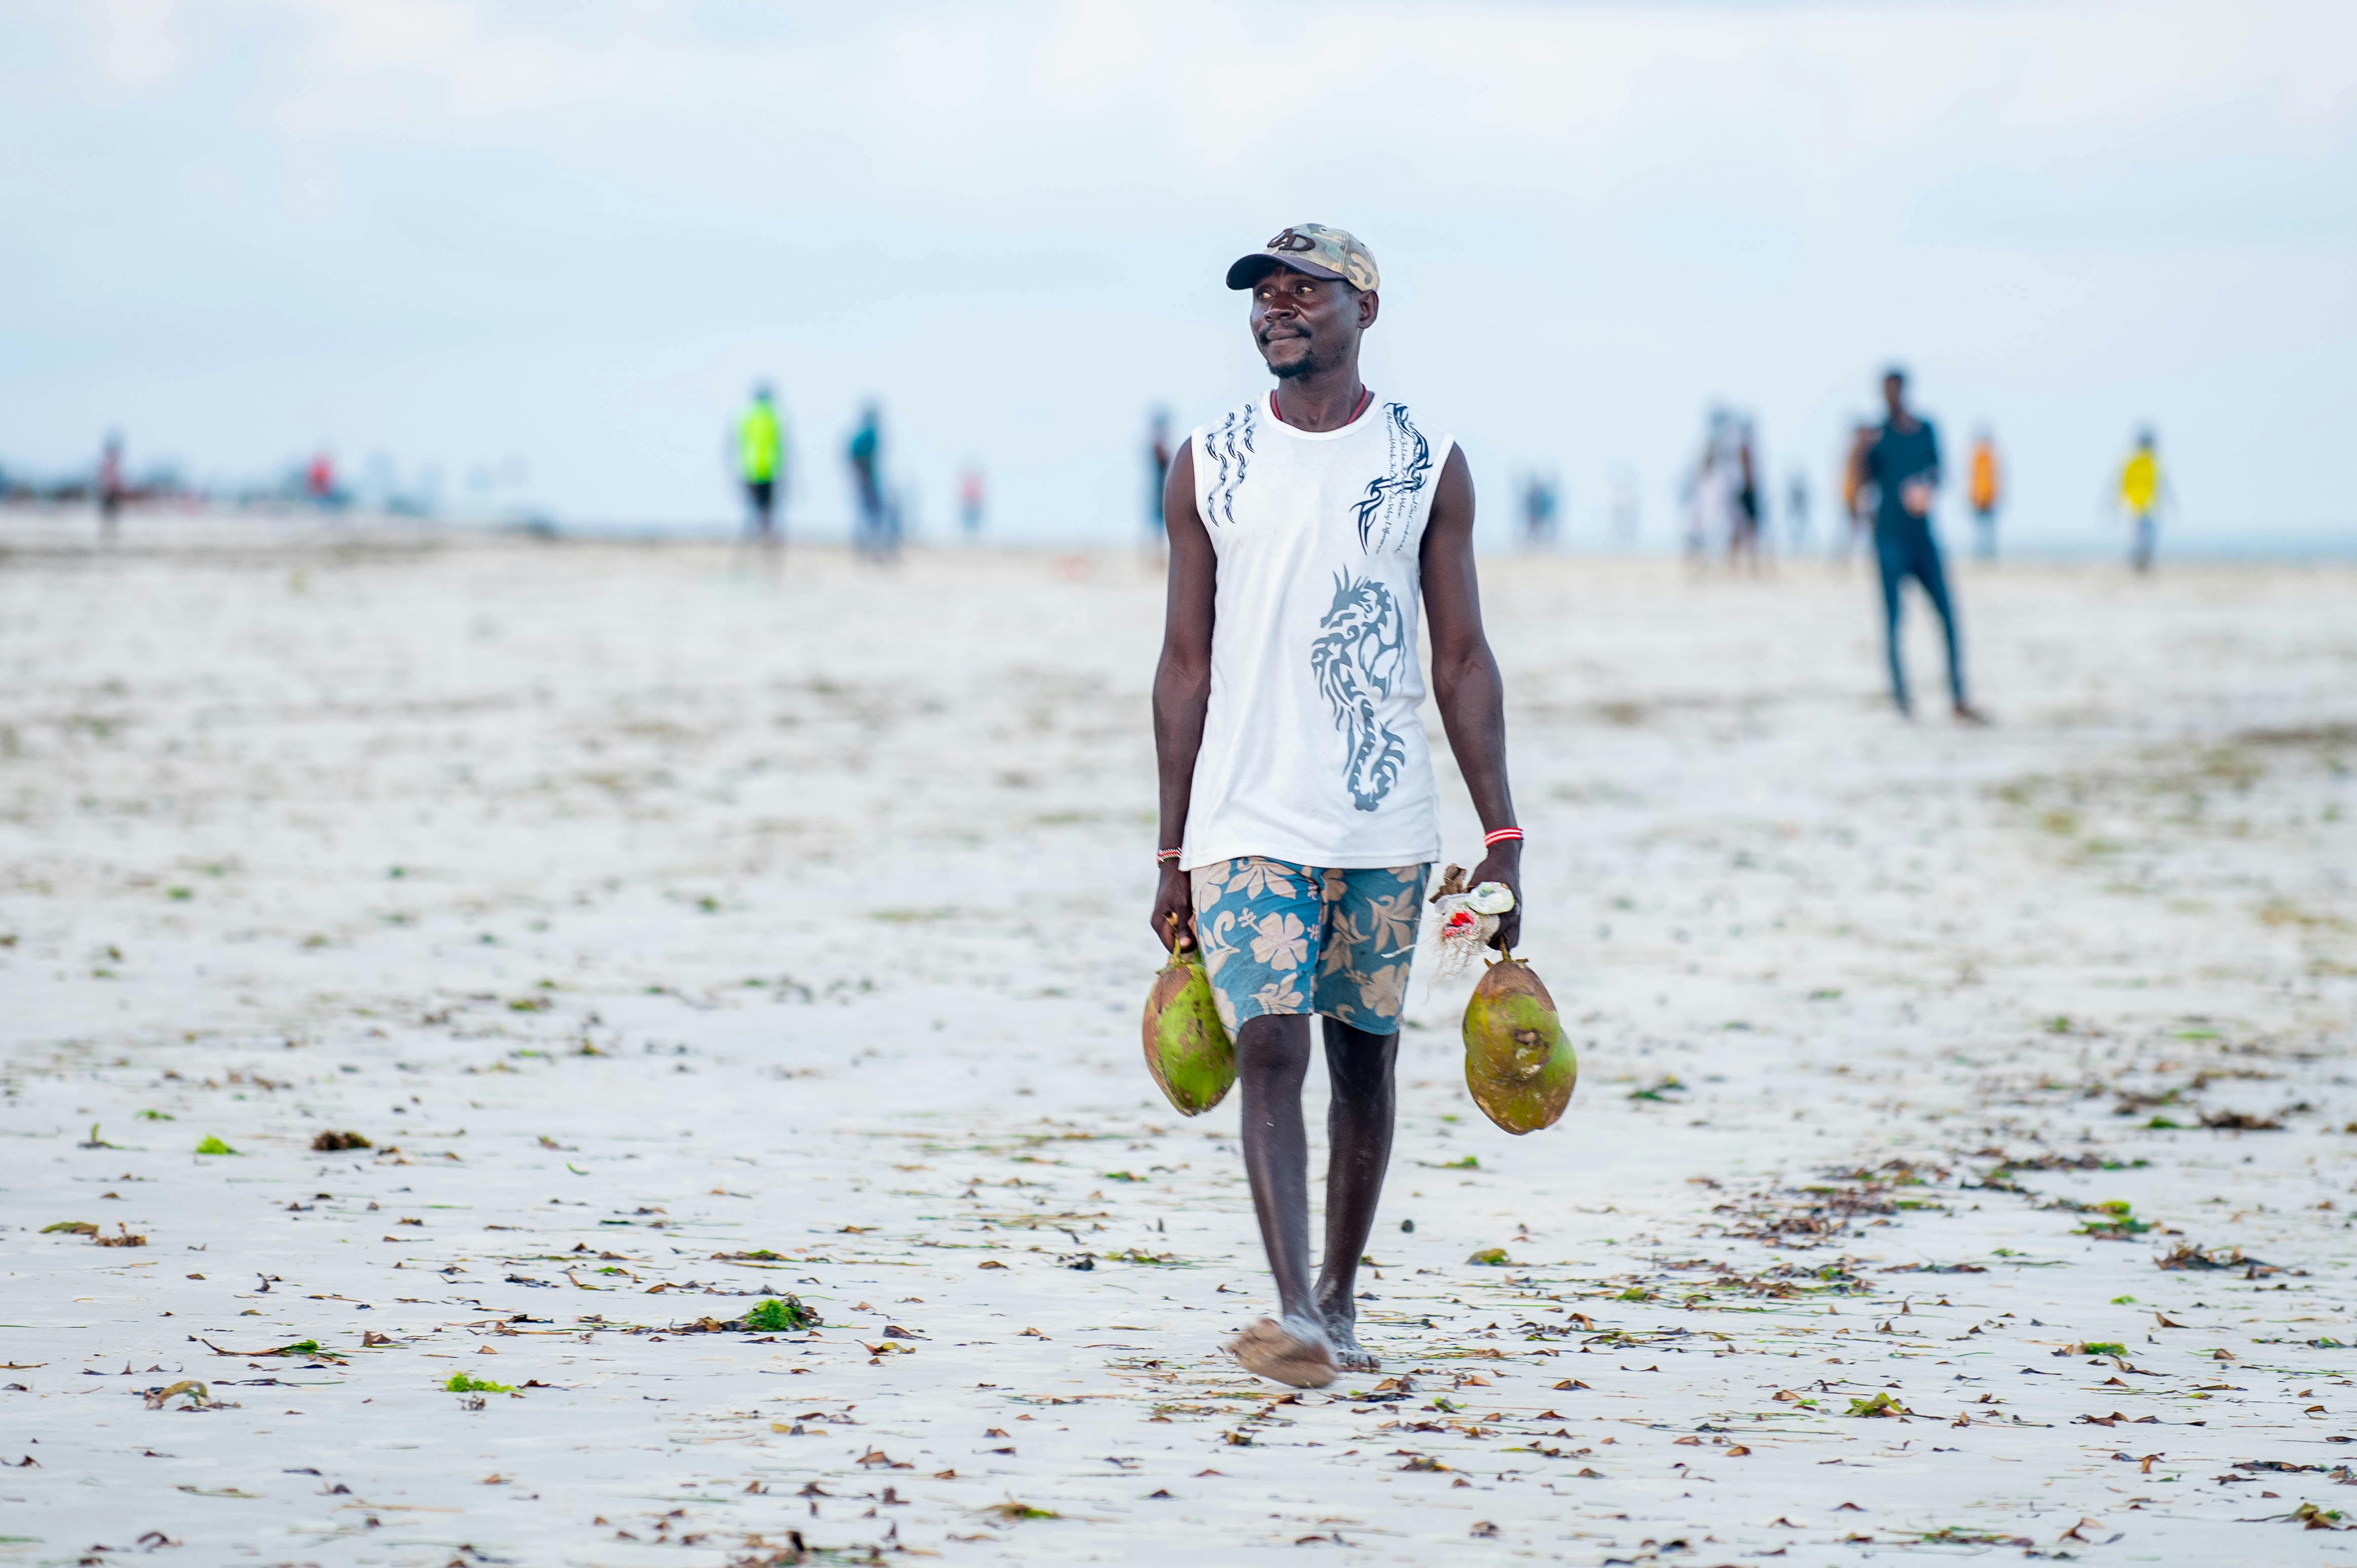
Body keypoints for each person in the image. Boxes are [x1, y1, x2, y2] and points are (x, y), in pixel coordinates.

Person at [1150, 223, 1524, 1389]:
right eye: (1262, 292)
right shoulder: (1208, 460)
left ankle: (1340, 1299)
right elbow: (1183, 665)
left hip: (1382, 821)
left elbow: (1461, 659)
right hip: (1245, 817)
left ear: (1366, 307)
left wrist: (1502, 836)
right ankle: (1294, 1312)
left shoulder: (1425, 461)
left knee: (1363, 1062)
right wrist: (1170, 850)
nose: (1276, 306)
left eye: (1303, 290)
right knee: (1270, 1043)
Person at [1861, 368, 1985, 722]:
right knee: (1894, 621)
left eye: (1895, 390)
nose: (1891, 396)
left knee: (1948, 615)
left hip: (1923, 538)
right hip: (1889, 539)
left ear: (1904, 391)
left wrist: (1926, 488)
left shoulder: (1925, 430)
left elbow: (1938, 471)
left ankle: (1958, 696)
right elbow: (1861, 483)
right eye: (1886, 391)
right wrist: (1858, 449)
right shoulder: (1876, 437)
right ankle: (1902, 700)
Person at [736, 384, 786, 545]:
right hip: (768, 470)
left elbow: (740, 443)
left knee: (752, 507)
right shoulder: (772, 418)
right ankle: (765, 538)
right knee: (767, 509)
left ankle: (750, 539)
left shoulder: (748, 417)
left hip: (750, 469)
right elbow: (779, 445)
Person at [2116, 428, 2166, 573]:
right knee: (2141, 539)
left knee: (2142, 538)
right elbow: (2123, 483)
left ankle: (2142, 565)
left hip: (2143, 506)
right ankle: (2138, 565)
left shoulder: (2145, 462)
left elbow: (2159, 484)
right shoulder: (2143, 462)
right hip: (2138, 506)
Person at [846, 403, 885, 559]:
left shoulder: (864, 436)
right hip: (867, 480)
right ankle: (870, 548)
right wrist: (863, 474)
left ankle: (866, 548)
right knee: (872, 515)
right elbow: (857, 456)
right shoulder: (869, 436)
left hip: (866, 479)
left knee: (867, 514)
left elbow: (852, 455)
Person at [1967, 427, 2001, 561]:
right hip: (1979, 498)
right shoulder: (1978, 458)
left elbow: (1995, 478)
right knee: (1981, 528)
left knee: (1987, 528)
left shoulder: (1990, 458)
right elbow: (1973, 478)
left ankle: (1988, 554)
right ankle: (1982, 554)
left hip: (1989, 498)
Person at [1146, 408, 1173, 543]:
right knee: (1158, 517)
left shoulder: (1158, 446)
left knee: (1160, 518)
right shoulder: (1157, 447)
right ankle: (1158, 544)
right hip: (1160, 486)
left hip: (1163, 485)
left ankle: (1160, 544)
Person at [97, 432, 126, 541]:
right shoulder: (109, 466)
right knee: (107, 515)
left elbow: (117, 481)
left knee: (112, 516)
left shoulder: (113, 466)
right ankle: (107, 534)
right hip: (108, 494)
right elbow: (105, 480)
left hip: (113, 494)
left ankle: (110, 535)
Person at [1784, 467, 1810, 555]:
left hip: (1799, 510)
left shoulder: (1799, 491)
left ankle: (1798, 545)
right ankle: (1795, 545)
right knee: (1796, 525)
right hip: (1797, 509)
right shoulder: (1796, 491)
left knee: (1800, 526)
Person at [959, 464, 986, 538]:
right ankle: (967, 537)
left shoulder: (976, 481)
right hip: (968, 506)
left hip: (975, 506)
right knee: (967, 525)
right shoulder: (967, 481)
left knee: (975, 525)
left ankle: (975, 537)